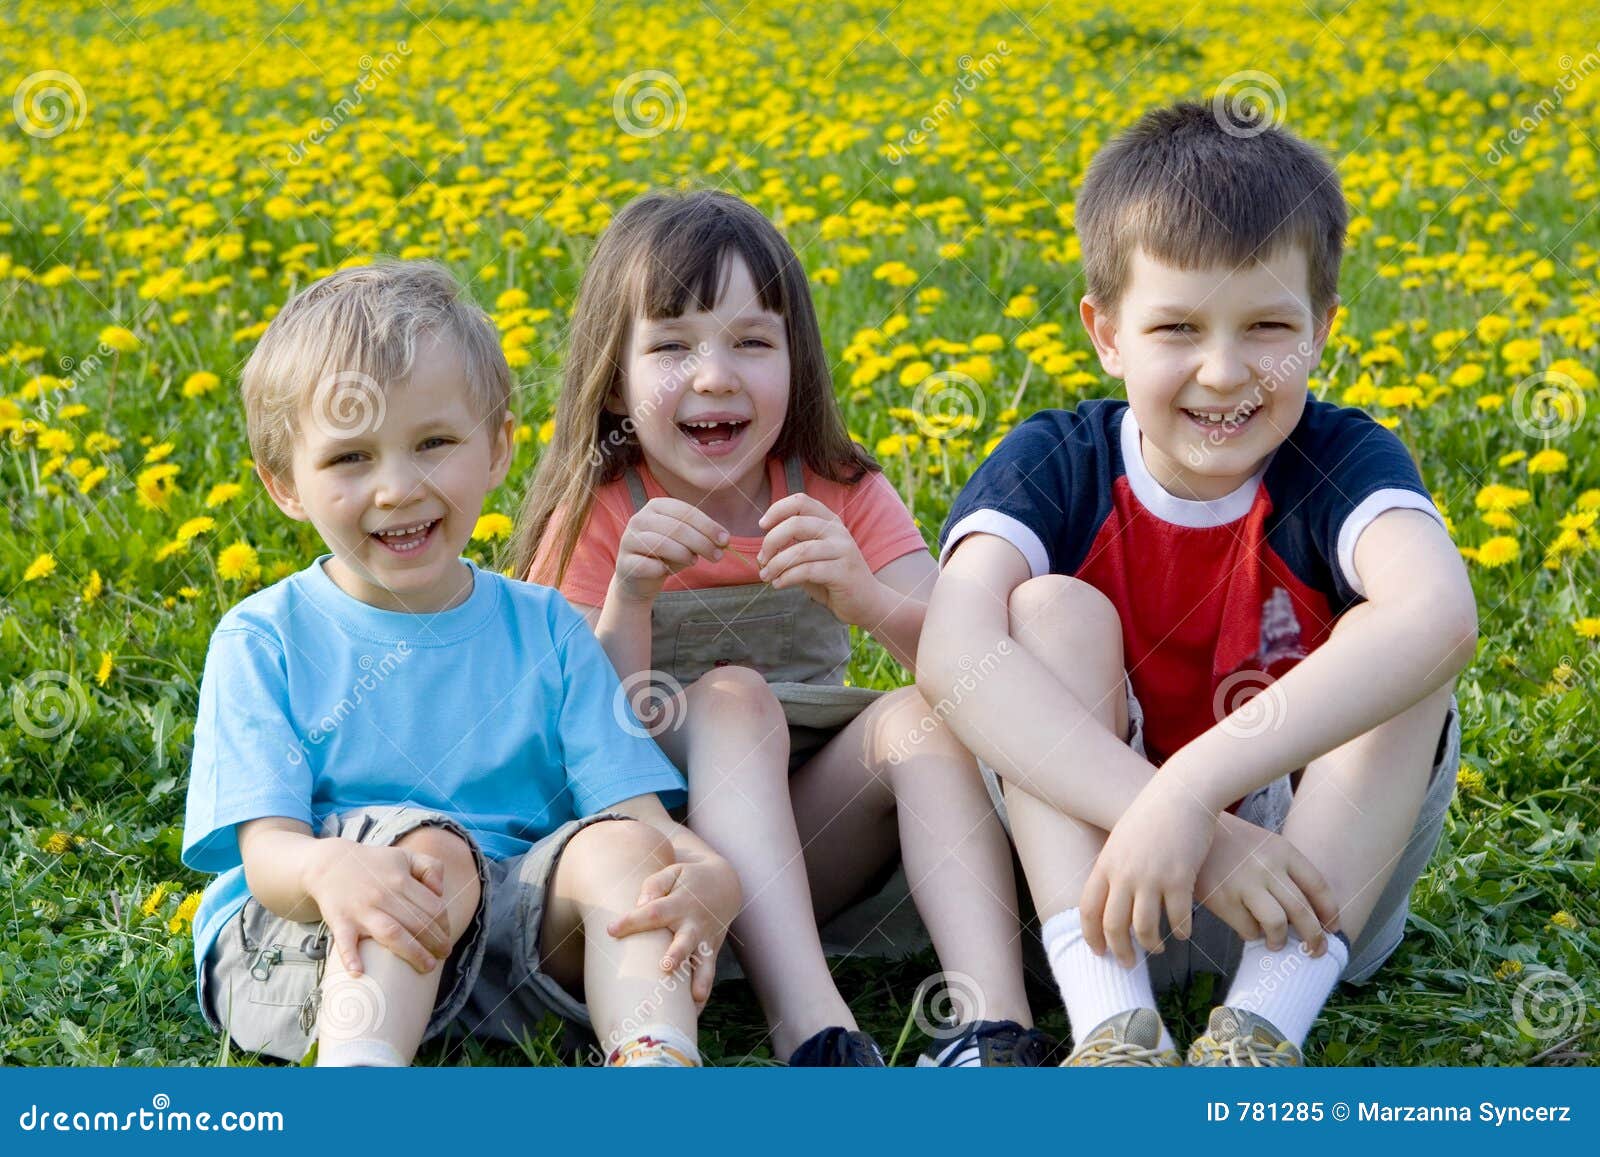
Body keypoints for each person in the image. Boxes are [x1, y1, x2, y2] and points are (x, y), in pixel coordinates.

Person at [918, 102, 1476, 1066]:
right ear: (1106, 333)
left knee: (1404, 645)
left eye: (1267, 325)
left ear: (1322, 330)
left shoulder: (1344, 458)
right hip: (1097, 880)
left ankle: (1261, 1031)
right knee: (1040, 612)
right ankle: (1111, 1031)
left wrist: (1196, 790)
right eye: (1177, 326)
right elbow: (951, 649)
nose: (1224, 372)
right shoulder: (1056, 459)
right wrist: (1174, 816)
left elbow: (1440, 616)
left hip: (1309, 887)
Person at [511, 189, 1045, 1067]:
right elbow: (571, 737)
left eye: (751, 342)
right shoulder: (597, 514)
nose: (714, 375)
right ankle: (811, 1027)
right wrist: (631, 596)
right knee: (730, 696)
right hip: (653, 870)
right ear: (614, 381)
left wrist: (867, 599)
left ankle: (993, 1028)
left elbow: (973, 665)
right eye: (673, 346)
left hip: (808, 847)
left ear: (796, 361)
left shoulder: (838, 486)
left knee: (921, 717)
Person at [182, 260, 740, 1067]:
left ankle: (653, 1064)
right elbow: (267, 856)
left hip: (505, 943)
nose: (397, 488)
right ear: (284, 484)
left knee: (621, 853)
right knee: (430, 852)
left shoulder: (546, 627)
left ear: (499, 448)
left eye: (434, 442)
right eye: (349, 459)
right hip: (314, 939)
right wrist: (330, 866)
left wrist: (707, 875)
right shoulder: (263, 636)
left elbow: (641, 821)